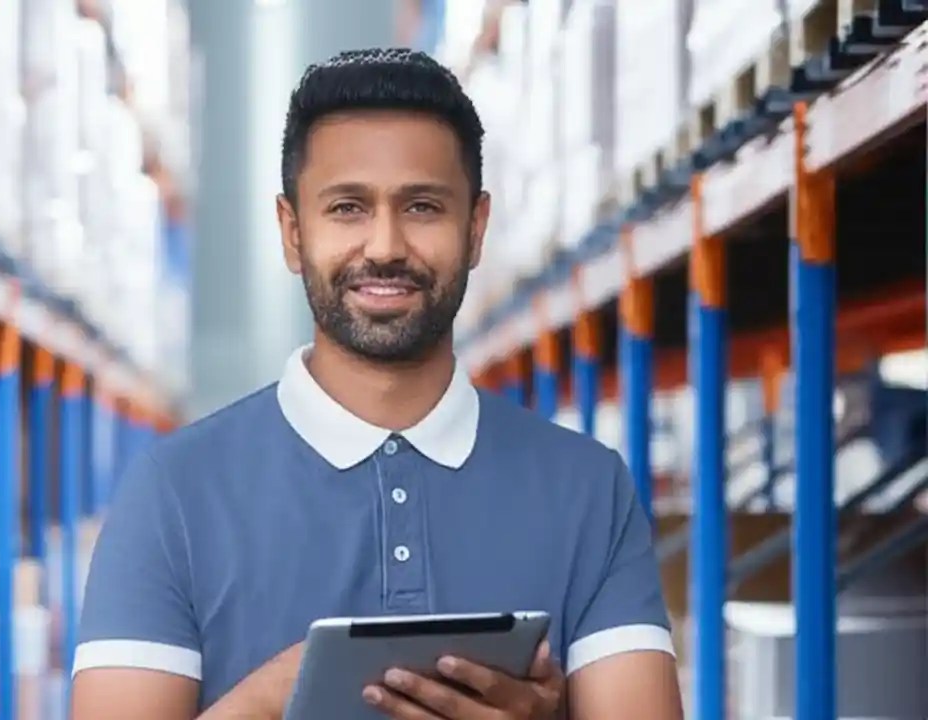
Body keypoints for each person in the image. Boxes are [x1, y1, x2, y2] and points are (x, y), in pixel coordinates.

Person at [70, 48, 684, 720]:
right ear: (292, 232)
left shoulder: (589, 491)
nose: (386, 246)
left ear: (475, 228)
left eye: (422, 206)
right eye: (347, 208)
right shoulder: (171, 496)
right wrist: (273, 697)